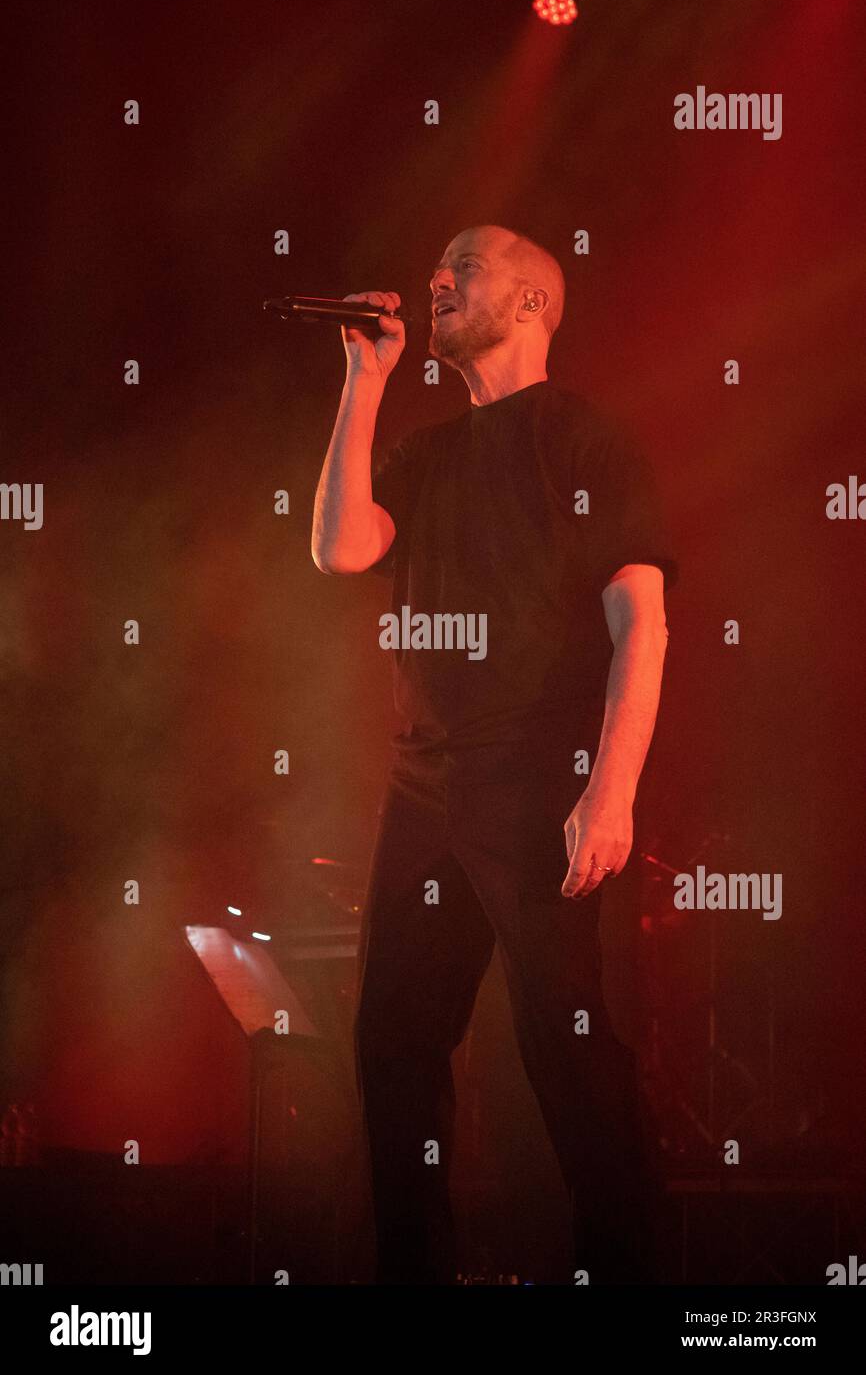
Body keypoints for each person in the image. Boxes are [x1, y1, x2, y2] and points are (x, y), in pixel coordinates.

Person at [312, 225, 678, 1284]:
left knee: (564, 1052)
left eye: (459, 269)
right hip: (420, 784)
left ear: (530, 302)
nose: (434, 282)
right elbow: (337, 547)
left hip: (535, 784)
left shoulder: (585, 443)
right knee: (392, 1050)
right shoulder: (422, 452)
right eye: (433, 270)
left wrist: (607, 792)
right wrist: (360, 381)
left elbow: (640, 627)